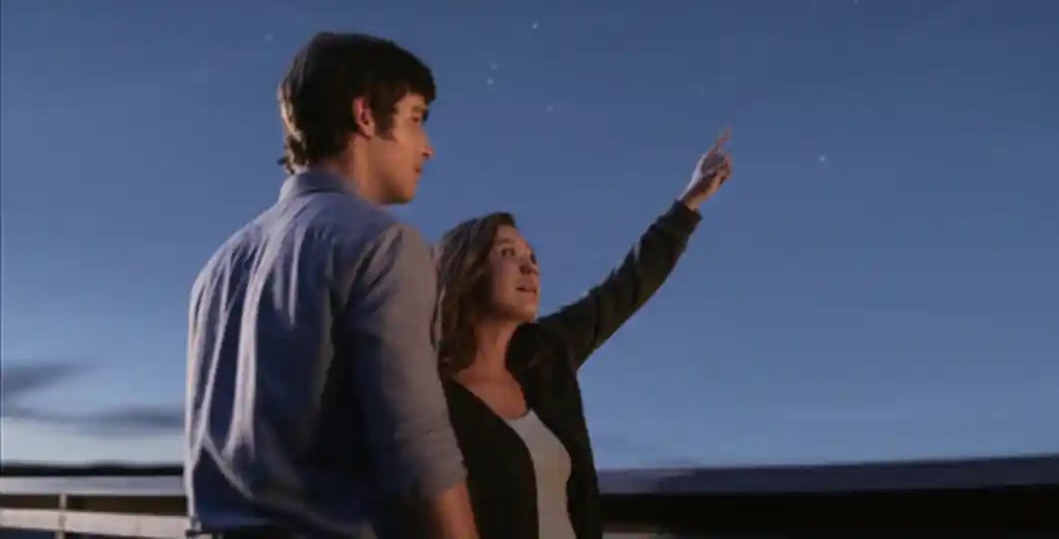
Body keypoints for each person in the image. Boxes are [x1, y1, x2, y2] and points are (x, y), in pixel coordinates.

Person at [184, 32, 478, 538]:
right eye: (415, 118)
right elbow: (418, 453)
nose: (427, 147)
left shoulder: (217, 267)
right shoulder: (381, 243)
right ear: (365, 115)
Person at [433, 130, 734, 539]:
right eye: (508, 254)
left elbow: (626, 286)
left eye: (532, 258)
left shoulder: (545, 354)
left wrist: (690, 202)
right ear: (465, 270)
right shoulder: (428, 397)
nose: (530, 268)